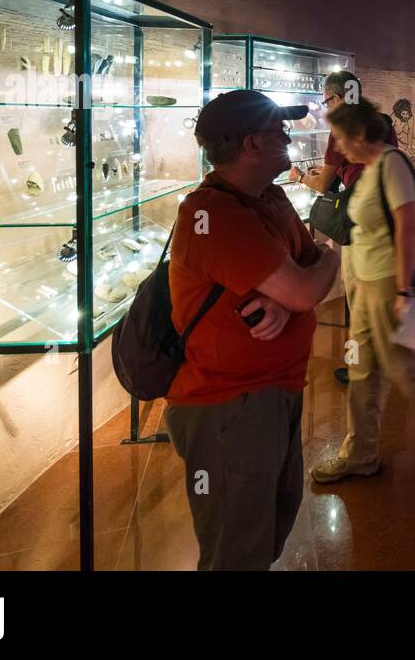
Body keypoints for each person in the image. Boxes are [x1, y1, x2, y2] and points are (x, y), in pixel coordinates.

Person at [165, 89, 341, 570]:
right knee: (236, 546)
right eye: (277, 130)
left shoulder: (271, 198)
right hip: (229, 405)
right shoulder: (215, 215)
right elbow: (310, 283)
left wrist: (299, 290)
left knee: (271, 525)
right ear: (251, 145)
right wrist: (304, 286)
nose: (288, 136)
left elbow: (311, 269)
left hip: (272, 393)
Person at [308, 97, 415, 483]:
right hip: (369, 284)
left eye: (340, 136)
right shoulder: (367, 168)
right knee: (362, 370)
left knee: (404, 369)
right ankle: (360, 454)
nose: (337, 144)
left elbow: (408, 228)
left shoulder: (392, 165)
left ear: (361, 134)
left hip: (387, 284)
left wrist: (402, 291)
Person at [286, 71, 396, 385]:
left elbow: (323, 184)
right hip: (383, 220)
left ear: (335, 97)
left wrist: (300, 177)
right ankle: (381, 359)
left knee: (357, 299)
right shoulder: (382, 121)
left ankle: (360, 368)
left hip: (356, 219)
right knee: (374, 297)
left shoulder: (342, 129)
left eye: (325, 102)